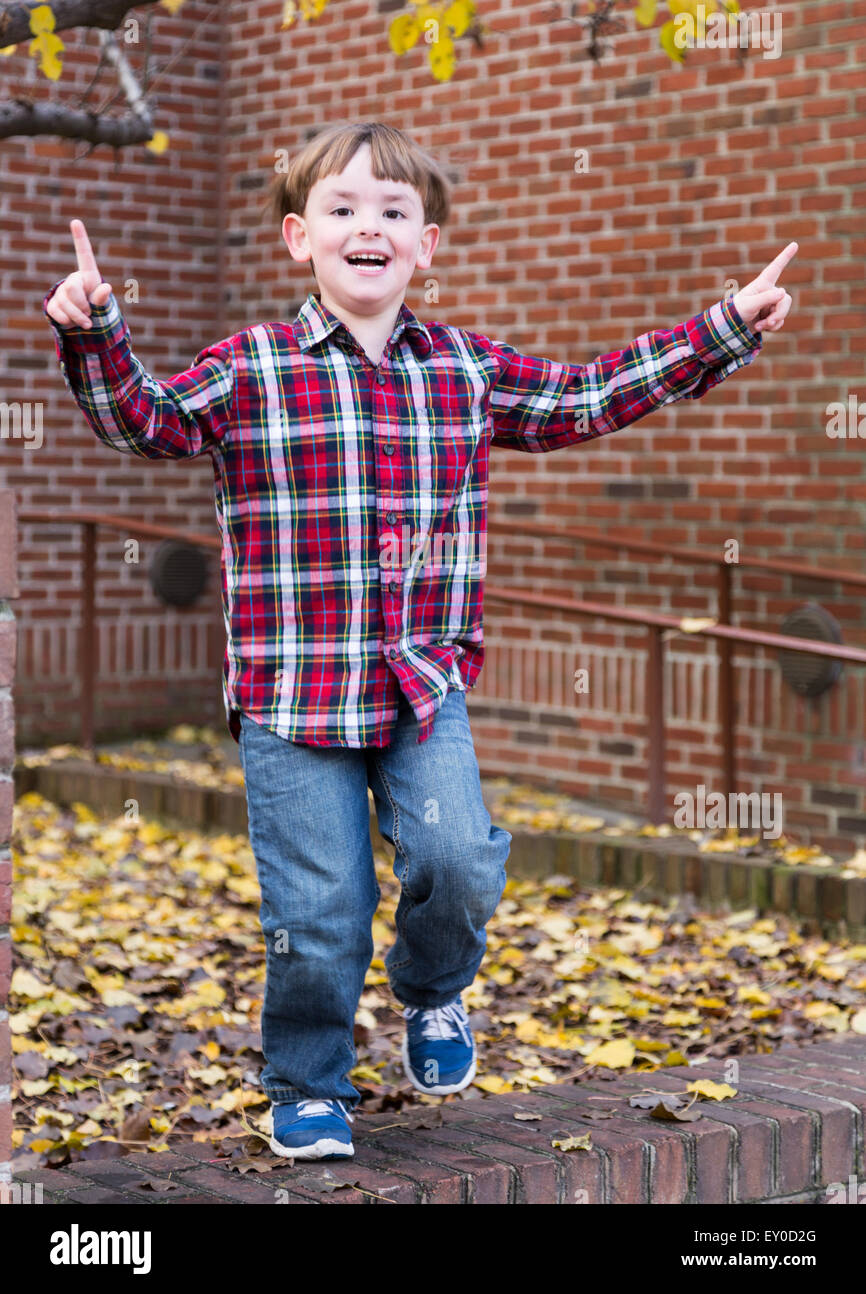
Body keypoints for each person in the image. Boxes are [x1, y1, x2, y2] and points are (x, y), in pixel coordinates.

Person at [43, 120, 796, 1161]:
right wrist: (95, 332)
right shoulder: (251, 367)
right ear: (298, 238)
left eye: (393, 212)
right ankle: (308, 1079)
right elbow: (148, 421)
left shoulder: (462, 369)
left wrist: (721, 326)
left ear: (425, 246)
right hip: (292, 700)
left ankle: (432, 992)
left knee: (455, 858)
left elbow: (584, 395)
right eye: (344, 210)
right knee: (321, 914)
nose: (370, 227)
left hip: (420, 686)